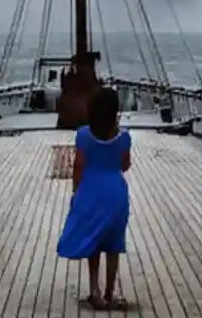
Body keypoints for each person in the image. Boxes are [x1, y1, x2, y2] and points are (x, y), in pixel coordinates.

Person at [56, 87, 132, 310]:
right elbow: (124, 165)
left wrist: (76, 191)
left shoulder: (83, 135)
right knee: (114, 243)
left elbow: (78, 167)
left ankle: (95, 293)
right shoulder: (124, 137)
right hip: (116, 193)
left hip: (91, 191)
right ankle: (111, 292)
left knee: (95, 243)